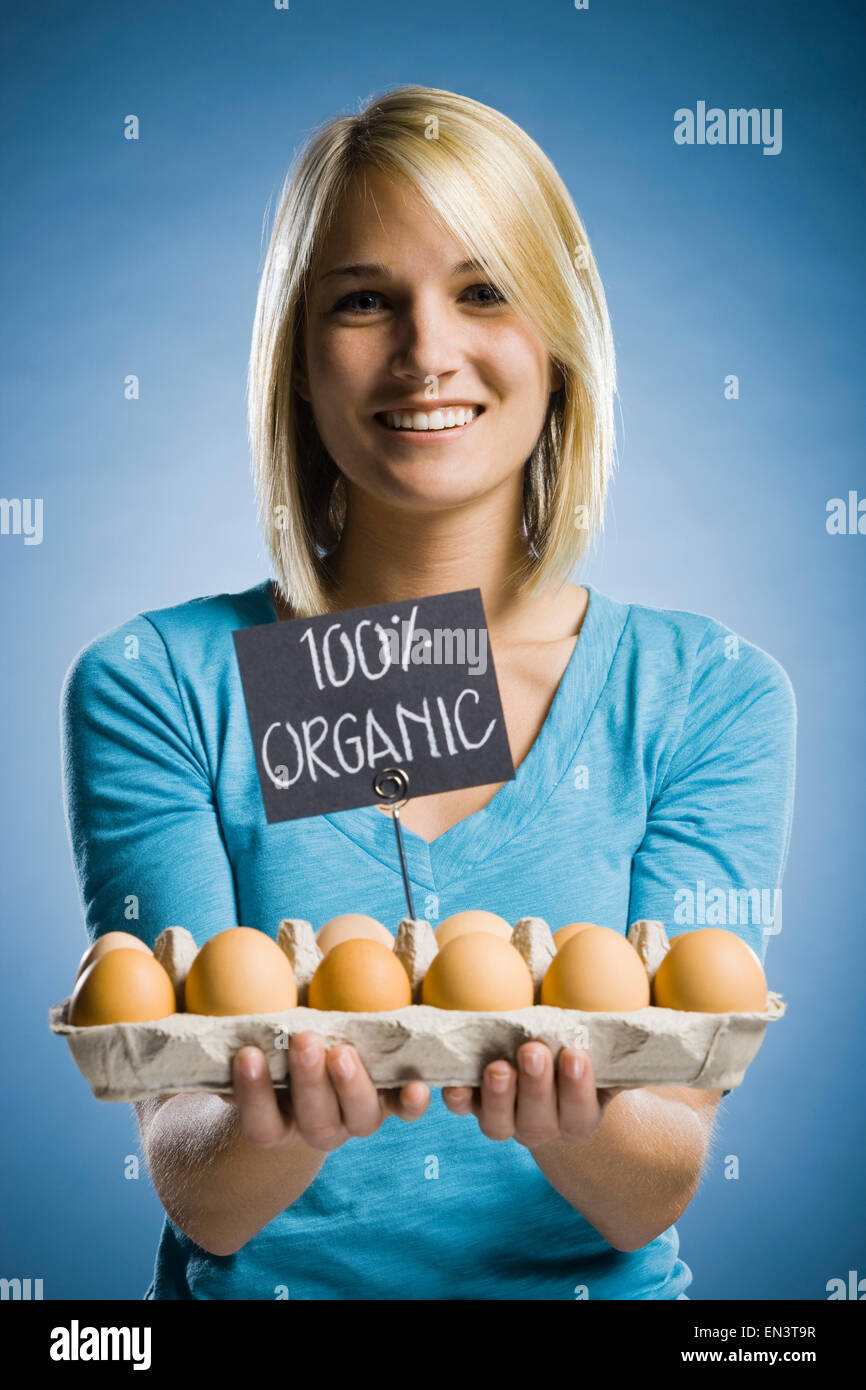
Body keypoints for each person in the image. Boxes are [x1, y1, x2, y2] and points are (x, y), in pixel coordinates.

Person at [60, 84, 796, 1300]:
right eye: (362, 300)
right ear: (297, 358)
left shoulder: (702, 695)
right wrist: (278, 1121)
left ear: (558, 343)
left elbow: (656, 1181)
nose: (425, 352)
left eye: (482, 290)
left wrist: (570, 1119)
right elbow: (200, 1189)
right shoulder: (162, 687)